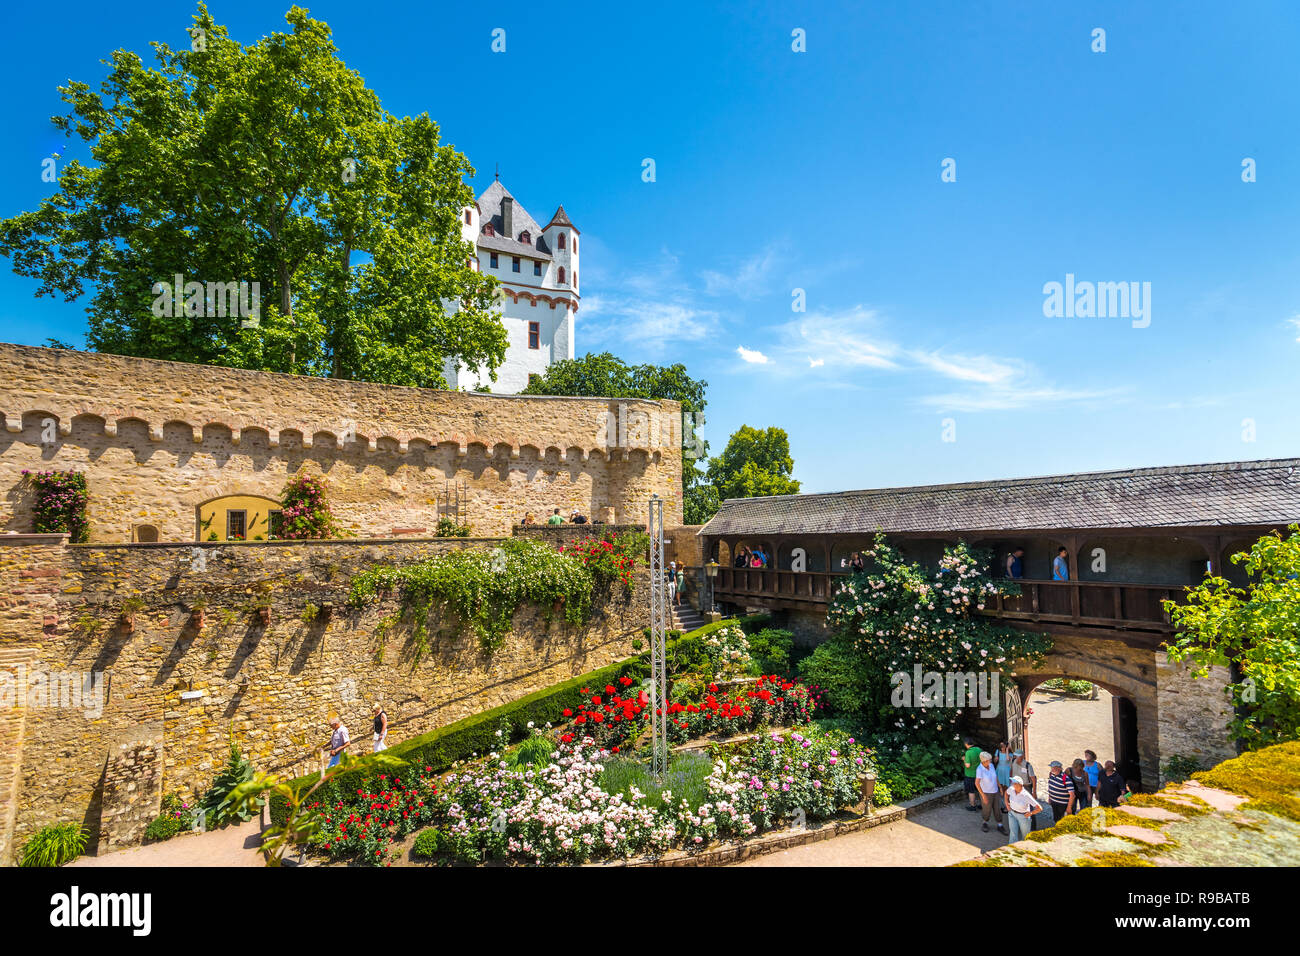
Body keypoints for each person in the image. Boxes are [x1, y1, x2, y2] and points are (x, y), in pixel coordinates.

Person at [1005, 775, 1042, 843]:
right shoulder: (1011, 789)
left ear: (1020, 785)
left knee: (1025, 836)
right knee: (1013, 834)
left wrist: (1031, 813)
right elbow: (1006, 793)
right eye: (1013, 782)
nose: (1013, 784)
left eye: (1014, 783)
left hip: (1023, 817)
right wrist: (1007, 804)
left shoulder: (1026, 795)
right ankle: (1012, 850)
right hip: (1012, 814)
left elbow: (1039, 808)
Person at [975, 752, 1005, 834]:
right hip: (986, 792)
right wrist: (983, 796)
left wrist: (1000, 787)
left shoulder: (991, 766)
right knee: (986, 809)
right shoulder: (979, 769)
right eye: (989, 760)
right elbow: (977, 783)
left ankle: (1000, 825)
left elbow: (995, 777)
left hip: (995, 791)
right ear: (984, 761)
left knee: (997, 809)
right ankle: (985, 823)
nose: (991, 761)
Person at [963, 737, 982, 811]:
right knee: (980, 790)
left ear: (966, 744)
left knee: (971, 791)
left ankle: (973, 806)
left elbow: (967, 765)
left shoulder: (968, 752)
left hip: (970, 774)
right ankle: (982, 804)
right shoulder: (979, 749)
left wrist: (964, 760)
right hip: (979, 774)